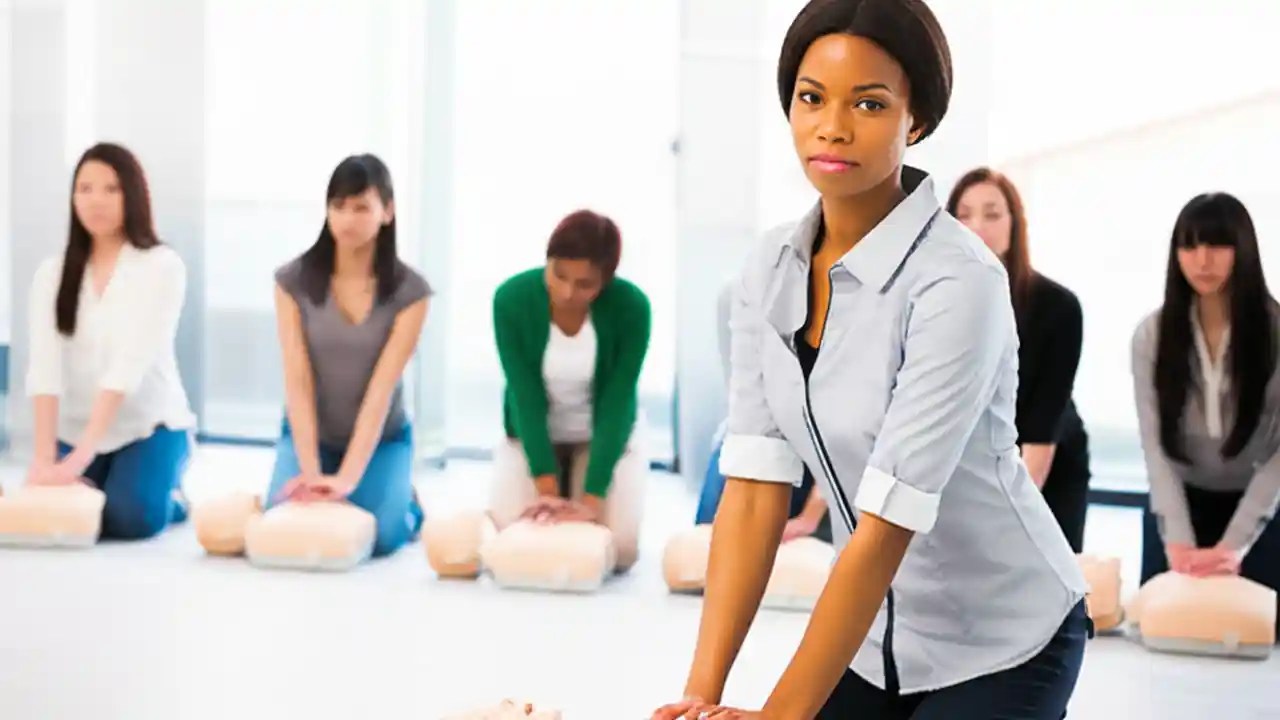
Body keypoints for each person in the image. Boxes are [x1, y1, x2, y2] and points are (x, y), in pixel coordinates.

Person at [652, 2, 1090, 718]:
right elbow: (757, 488)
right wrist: (699, 697)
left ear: (915, 121)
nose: (832, 125)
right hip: (874, 636)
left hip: (1003, 640)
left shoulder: (960, 281)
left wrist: (779, 716)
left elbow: (887, 523)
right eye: (811, 98)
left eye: (870, 103)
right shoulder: (768, 267)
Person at [24, 142, 196, 540]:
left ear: (133, 195)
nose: (95, 200)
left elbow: (127, 369)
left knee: (130, 518)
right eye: (84, 189)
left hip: (148, 426)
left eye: (110, 189)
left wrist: (76, 463)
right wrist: (45, 460)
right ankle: (100, 480)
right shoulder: (52, 273)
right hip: (75, 426)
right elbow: (44, 369)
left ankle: (173, 497)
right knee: (57, 515)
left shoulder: (161, 266)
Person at [265, 153, 430, 559]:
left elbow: (381, 391)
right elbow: (297, 380)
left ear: (387, 212)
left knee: (384, 536)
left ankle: (407, 501)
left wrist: (347, 479)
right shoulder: (292, 282)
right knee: (283, 519)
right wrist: (311, 473)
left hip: (382, 438)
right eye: (338, 206)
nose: (348, 219)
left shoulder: (411, 293)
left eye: (361, 207)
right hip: (311, 434)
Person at [1132, 192, 1280, 614]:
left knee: (1258, 638)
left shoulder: (1275, 334)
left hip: (1258, 507)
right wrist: (1177, 538)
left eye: (1217, 245)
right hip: (1179, 507)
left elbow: (1278, 455)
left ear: (1244, 249)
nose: (1202, 260)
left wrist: (1235, 544)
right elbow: (1154, 447)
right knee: (1167, 630)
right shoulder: (1152, 335)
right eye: (1190, 245)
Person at [489, 209, 651, 572]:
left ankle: (581, 485)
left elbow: (617, 401)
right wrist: (547, 492)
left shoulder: (632, 308)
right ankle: (554, 481)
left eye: (584, 284)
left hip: (602, 437)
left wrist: (591, 501)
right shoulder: (510, 300)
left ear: (606, 281)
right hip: (531, 434)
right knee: (510, 533)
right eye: (558, 276)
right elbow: (524, 395)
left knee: (620, 548)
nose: (567, 292)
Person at [949, 168, 1092, 553]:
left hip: (1043, 463)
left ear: (1015, 224)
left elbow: (1043, 425)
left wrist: (1003, 518)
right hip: (970, 471)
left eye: (993, 214)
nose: (977, 225)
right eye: (964, 215)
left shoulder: (1057, 306)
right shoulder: (937, 305)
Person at [696, 281, 832, 544]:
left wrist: (811, 515)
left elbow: (849, 432)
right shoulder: (739, 296)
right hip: (762, 433)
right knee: (708, 541)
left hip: (831, 453)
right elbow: (745, 407)